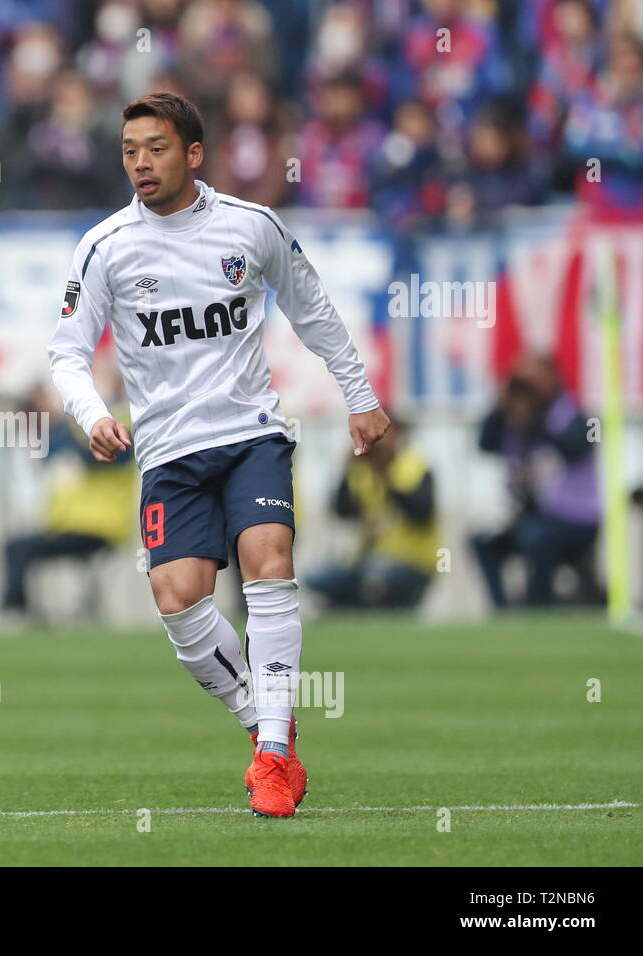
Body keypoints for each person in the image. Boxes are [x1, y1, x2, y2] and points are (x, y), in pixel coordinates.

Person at [47, 91, 389, 818]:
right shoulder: (106, 247)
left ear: (194, 154)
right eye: (131, 150)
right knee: (178, 601)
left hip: (251, 433)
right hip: (168, 452)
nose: (141, 162)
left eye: (157, 148)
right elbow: (68, 351)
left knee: (270, 558)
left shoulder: (252, 227)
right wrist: (91, 412)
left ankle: (269, 758)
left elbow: (314, 310)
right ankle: (271, 728)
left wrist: (360, 396)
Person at [470, 356, 600, 608]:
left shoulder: (572, 416)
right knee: (483, 541)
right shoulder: (512, 418)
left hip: (576, 520)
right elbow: (484, 443)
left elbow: (574, 446)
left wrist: (536, 413)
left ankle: (540, 607)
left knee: (536, 537)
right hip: (532, 518)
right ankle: (502, 611)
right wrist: (500, 405)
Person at [0, 388, 137, 617]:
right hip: (69, 526)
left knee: (19, 548)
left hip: (101, 527)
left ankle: (13, 613)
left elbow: (111, 455)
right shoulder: (66, 432)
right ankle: (20, 611)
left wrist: (62, 421)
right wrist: (44, 421)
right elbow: (45, 455)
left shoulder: (114, 421)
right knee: (15, 546)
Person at [308, 417, 438, 609]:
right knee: (317, 579)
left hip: (413, 561)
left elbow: (422, 513)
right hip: (369, 559)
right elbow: (340, 509)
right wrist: (346, 468)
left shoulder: (416, 465)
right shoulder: (363, 468)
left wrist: (387, 478)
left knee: (375, 577)